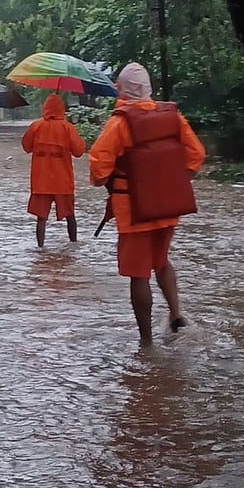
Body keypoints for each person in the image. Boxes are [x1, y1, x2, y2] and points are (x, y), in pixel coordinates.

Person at [89, 63, 205, 344]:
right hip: (167, 207)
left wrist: (106, 183)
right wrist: (171, 181)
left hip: (134, 210)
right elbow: (196, 155)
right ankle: (176, 316)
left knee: (138, 274)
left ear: (122, 89)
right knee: (162, 261)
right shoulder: (173, 117)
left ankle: (146, 342)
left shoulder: (120, 122)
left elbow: (98, 164)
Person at [22, 93, 87, 247]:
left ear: (45, 108)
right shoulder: (67, 128)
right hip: (62, 182)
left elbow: (26, 146)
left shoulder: (36, 127)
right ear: (62, 109)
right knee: (70, 215)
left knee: (41, 218)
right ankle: (74, 246)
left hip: (41, 182)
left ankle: (40, 248)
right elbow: (79, 151)